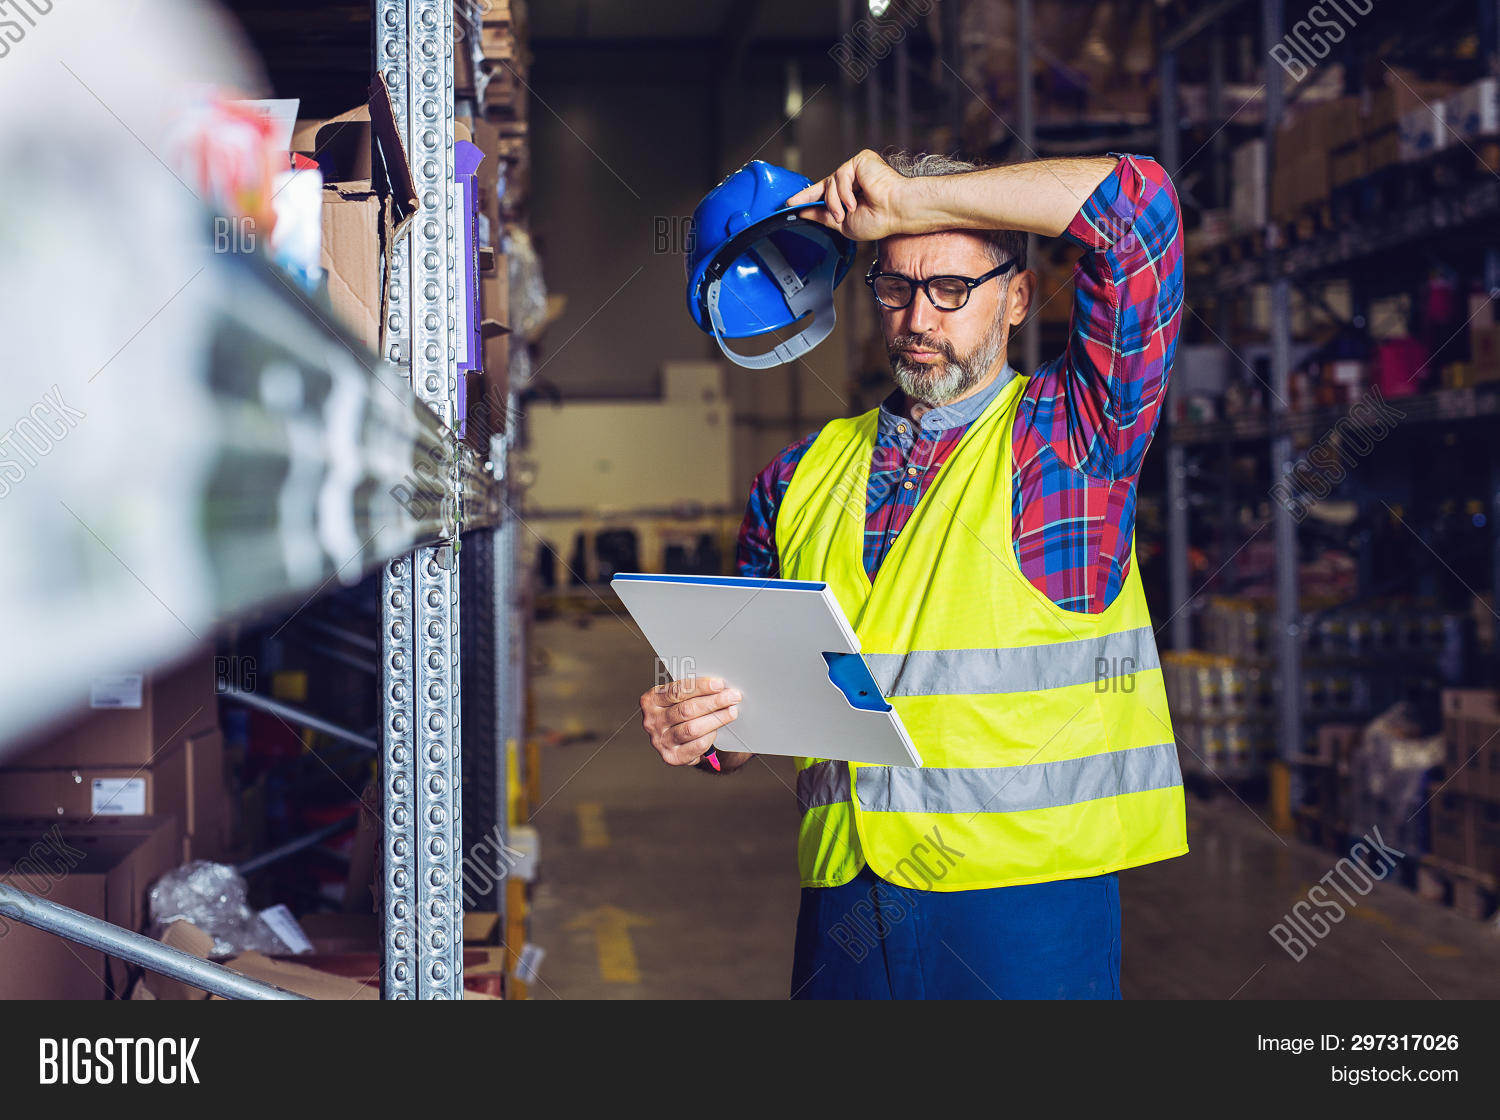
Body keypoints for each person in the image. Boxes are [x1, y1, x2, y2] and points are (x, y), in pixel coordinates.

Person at [639, 148, 1187, 999]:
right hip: (844, 907)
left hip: (1025, 906)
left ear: (1014, 297)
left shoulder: (1073, 443)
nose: (917, 318)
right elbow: (746, 704)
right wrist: (702, 725)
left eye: (951, 290)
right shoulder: (795, 479)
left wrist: (905, 202)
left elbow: (1138, 211)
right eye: (894, 287)